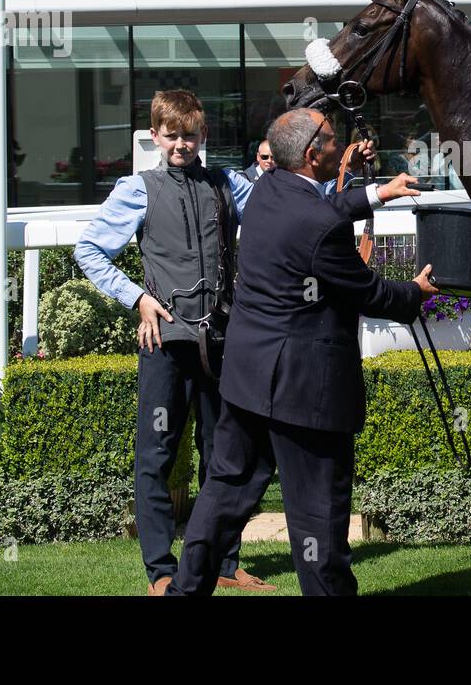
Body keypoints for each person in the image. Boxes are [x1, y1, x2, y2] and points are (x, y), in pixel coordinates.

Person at [75, 91, 419, 595]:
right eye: (171, 136)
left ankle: (219, 568)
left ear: (203, 137)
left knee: (225, 466)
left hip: (224, 344)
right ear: (155, 136)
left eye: (189, 136)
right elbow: (89, 249)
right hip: (168, 339)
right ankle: (160, 572)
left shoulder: (229, 184)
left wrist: (372, 193)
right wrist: (136, 299)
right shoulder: (136, 188)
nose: (181, 145)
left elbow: (301, 208)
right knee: (158, 456)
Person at [167, 109, 436, 597]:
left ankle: (185, 591)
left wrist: (375, 191)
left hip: (248, 380)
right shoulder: (320, 227)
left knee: (223, 494)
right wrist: (418, 290)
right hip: (306, 393)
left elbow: (324, 206)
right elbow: (372, 294)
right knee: (318, 522)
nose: (341, 145)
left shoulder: (268, 188)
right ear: (313, 155)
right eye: (333, 140)